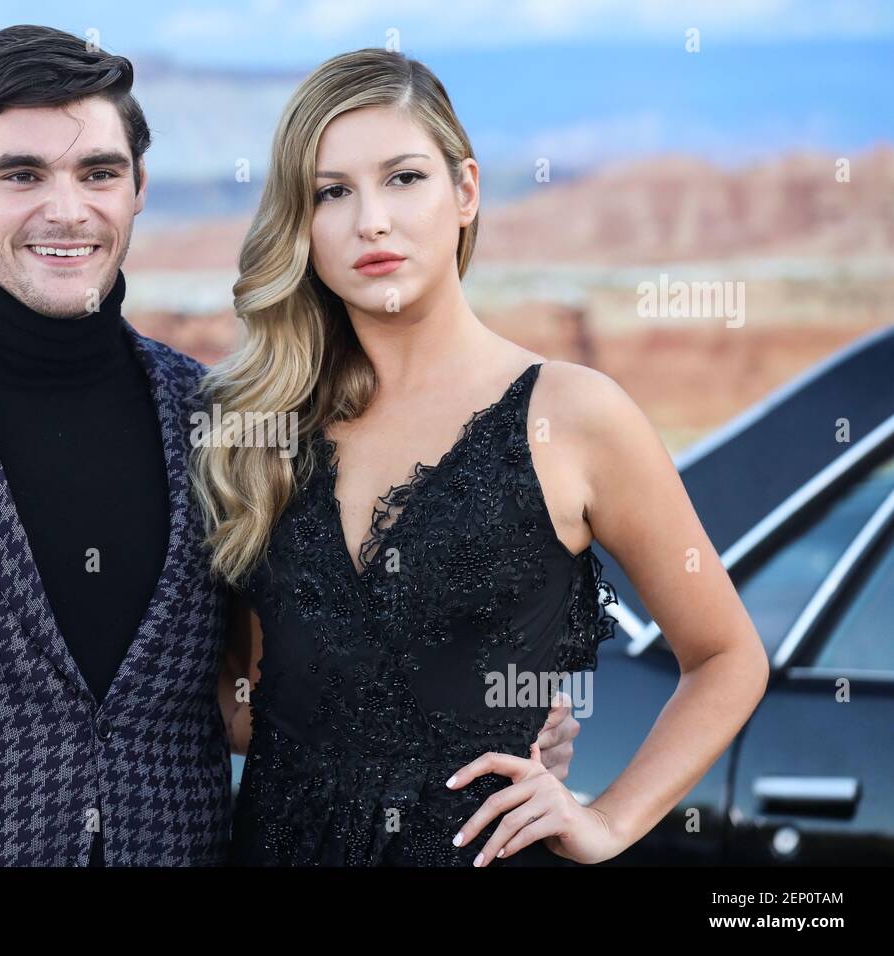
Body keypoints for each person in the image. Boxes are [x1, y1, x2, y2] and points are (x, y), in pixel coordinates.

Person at [0, 25, 582, 867]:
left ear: (137, 187)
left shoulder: (223, 419)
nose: (67, 208)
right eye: (21, 174)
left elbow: (271, 687)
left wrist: (488, 707)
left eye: (98, 171)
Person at [193, 49, 770, 866]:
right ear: (302, 226)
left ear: (464, 192)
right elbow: (253, 706)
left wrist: (606, 821)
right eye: (332, 192)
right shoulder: (261, 428)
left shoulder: (573, 416)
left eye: (403, 178)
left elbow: (727, 657)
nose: (372, 222)